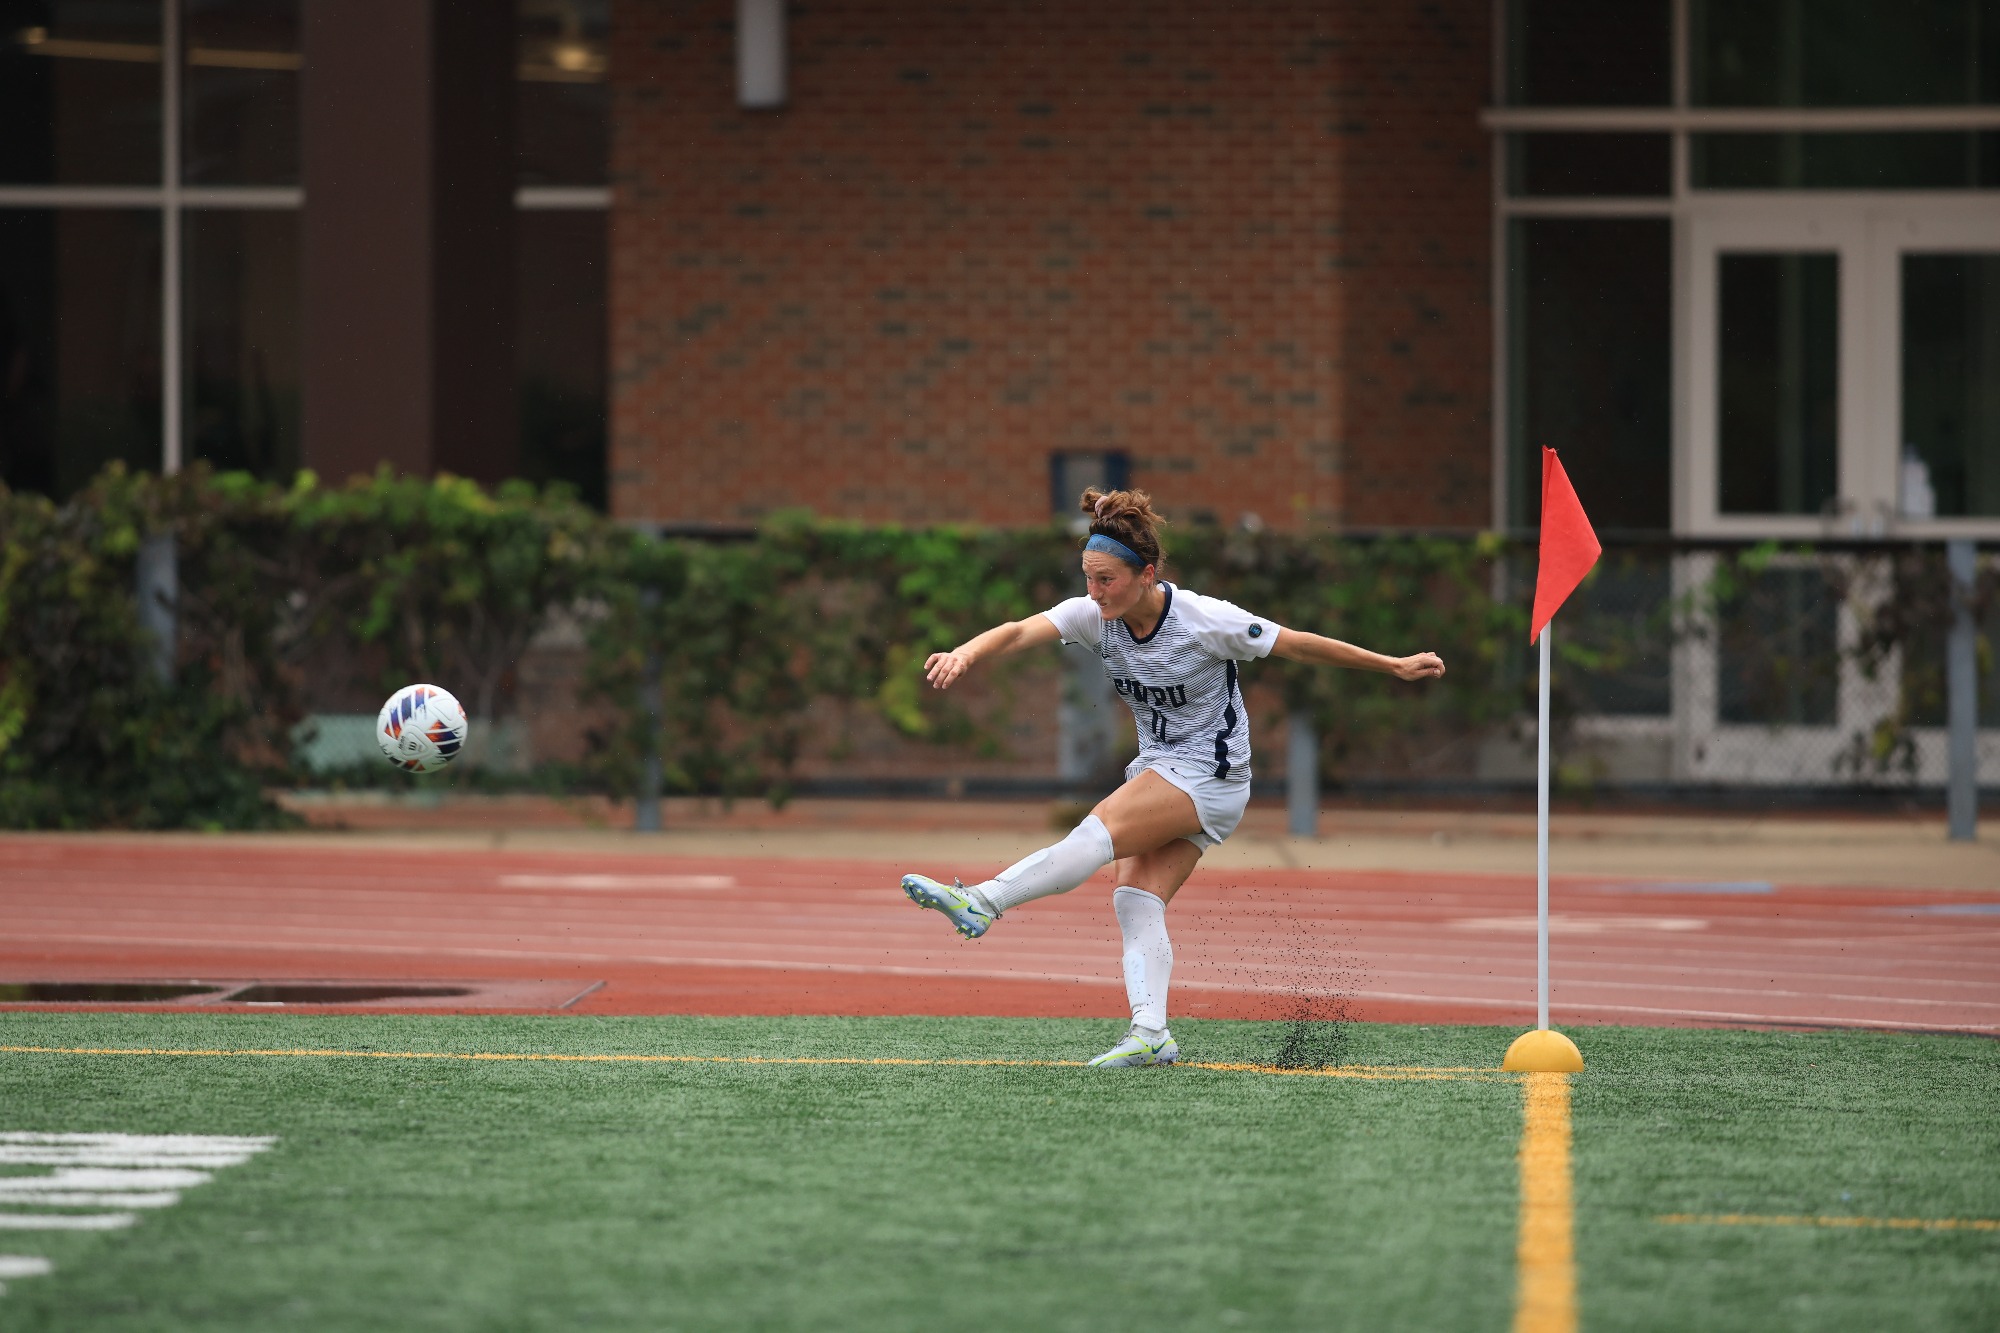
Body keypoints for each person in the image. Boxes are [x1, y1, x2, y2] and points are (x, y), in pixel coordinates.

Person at [901, 488, 1447, 1068]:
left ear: (1147, 574)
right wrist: (965, 652)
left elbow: (1299, 646)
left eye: (1107, 580)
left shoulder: (1205, 619)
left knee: (1097, 830)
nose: (1094, 592)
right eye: (1088, 578)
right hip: (1163, 770)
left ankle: (982, 901)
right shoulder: (1095, 616)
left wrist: (1390, 664)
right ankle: (1151, 1034)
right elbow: (1015, 631)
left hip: (1211, 776)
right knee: (1135, 899)